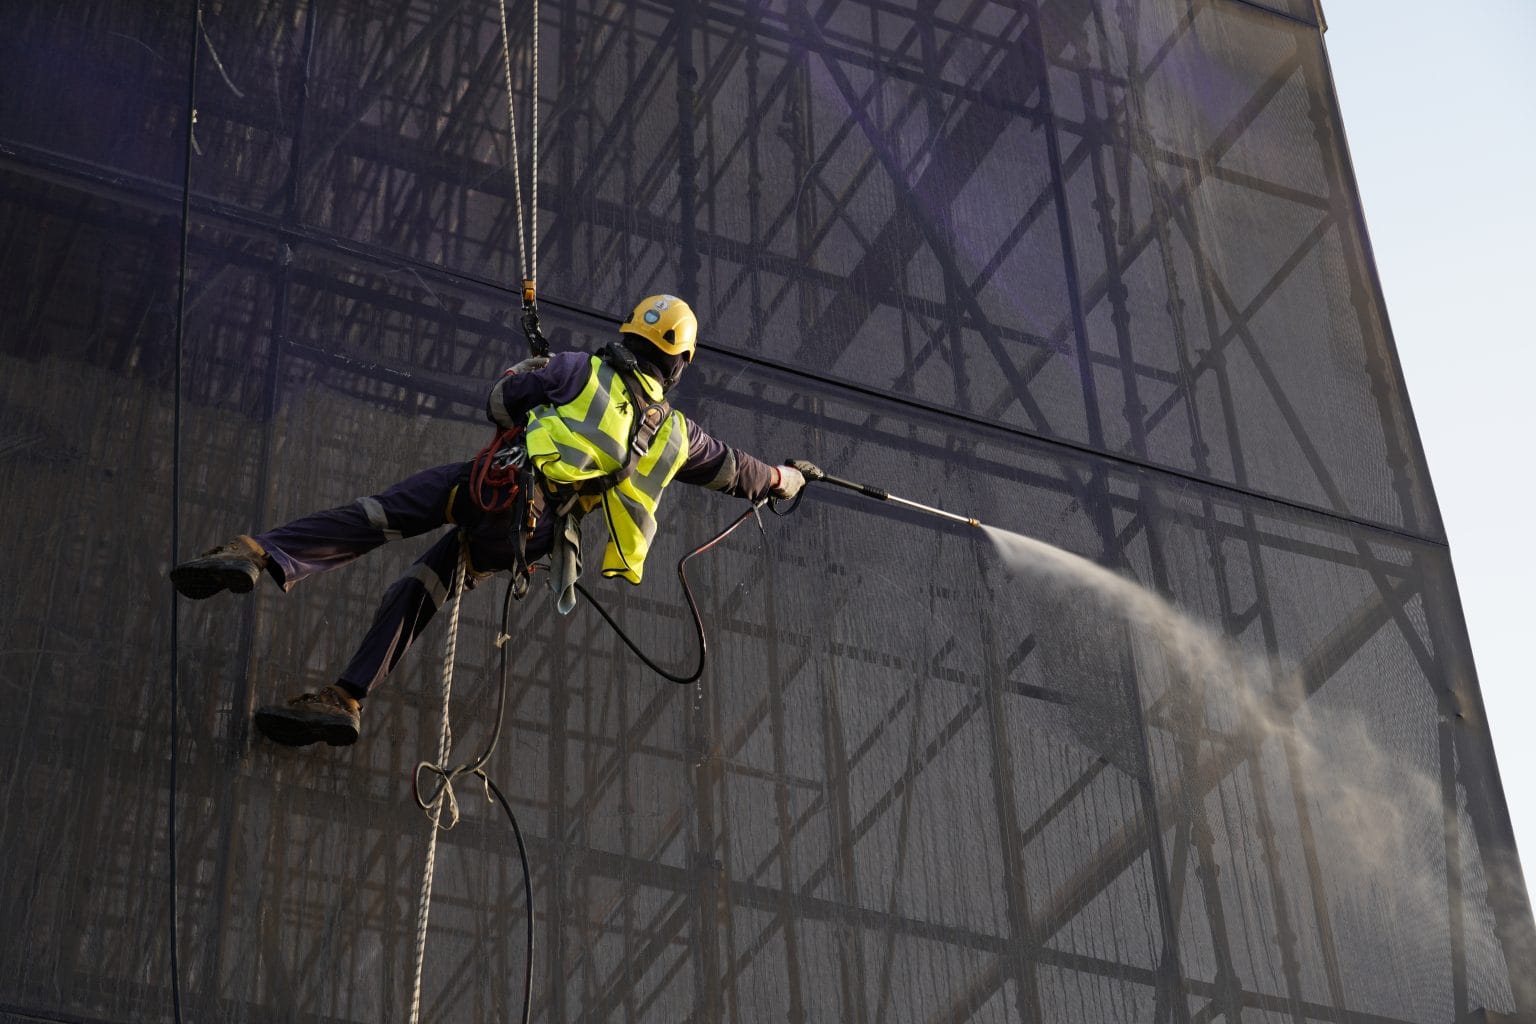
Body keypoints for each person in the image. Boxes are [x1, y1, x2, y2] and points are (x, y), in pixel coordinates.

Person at [170, 294, 805, 747]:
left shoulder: (578, 367)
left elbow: (498, 402)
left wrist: (529, 375)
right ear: (680, 363)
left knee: (375, 517)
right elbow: (741, 471)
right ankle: (346, 698)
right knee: (424, 585)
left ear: (629, 331)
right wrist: (789, 478)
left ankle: (259, 555)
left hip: (496, 483)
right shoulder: (678, 436)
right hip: (535, 540)